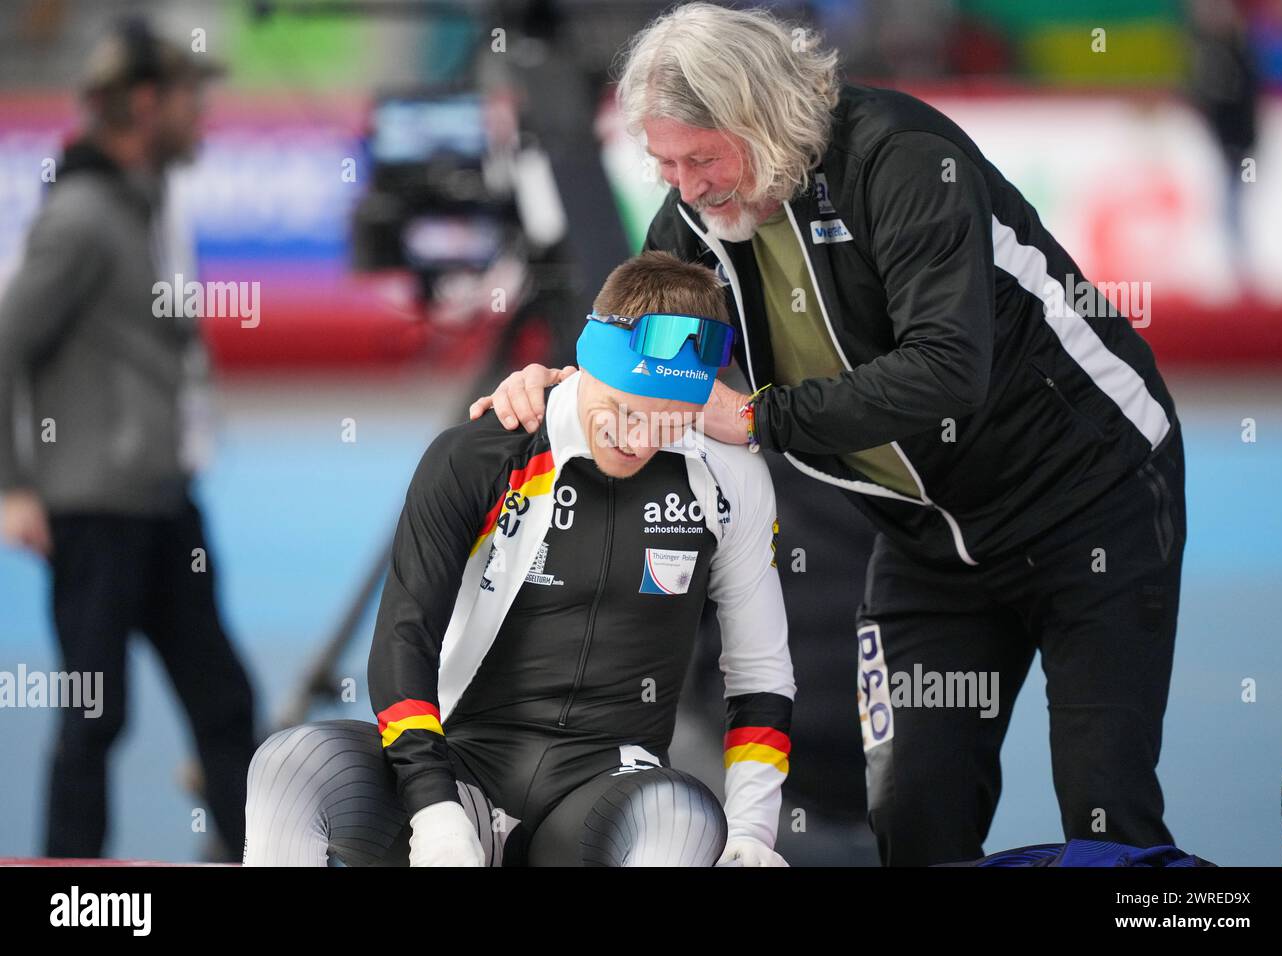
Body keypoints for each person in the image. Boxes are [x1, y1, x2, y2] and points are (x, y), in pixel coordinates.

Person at [471, 2, 1186, 866]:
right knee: (915, 816)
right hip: (929, 540)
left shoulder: (904, 161)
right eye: (664, 164)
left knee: (1105, 811)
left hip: (1090, 501)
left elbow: (945, 370)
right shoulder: (695, 216)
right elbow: (630, 360)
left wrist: (757, 418)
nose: (685, 187)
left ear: (763, 116)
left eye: (702, 158)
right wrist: (555, 391)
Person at [243, 251, 795, 867]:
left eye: (670, 423)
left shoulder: (730, 476)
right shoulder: (482, 453)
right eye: (623, 409)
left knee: (681, 821)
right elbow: (404, 638)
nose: (638, 439)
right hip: (459, 773)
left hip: (608, 799)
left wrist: (752, 833)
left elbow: (758, 673)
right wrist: (434, 811)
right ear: (587, 361)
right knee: (290, 765)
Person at [0, 19, 256, 860]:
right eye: (189, 97)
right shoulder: (81, 218)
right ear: (145, 103)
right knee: (94, 718)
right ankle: (68, 889)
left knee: (222, 702)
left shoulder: (138, 204)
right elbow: (5, 345)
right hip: (97, 516)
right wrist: (14, 485)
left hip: (159, 505)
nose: (202, 114)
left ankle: (262, 852)